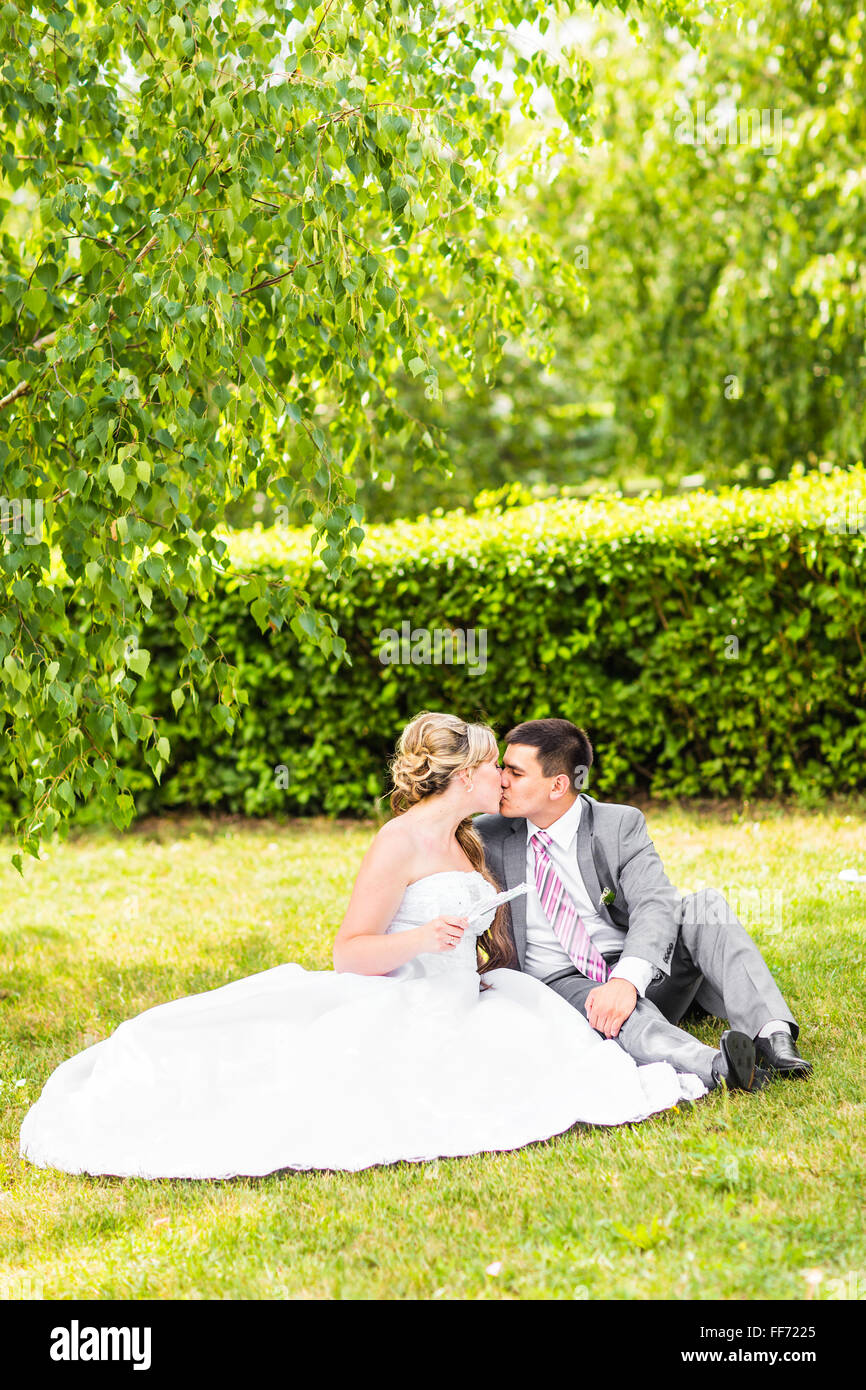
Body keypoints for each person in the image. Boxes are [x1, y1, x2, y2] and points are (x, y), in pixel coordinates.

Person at [20, 711, 732, 1182]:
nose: (504, 779)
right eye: (495, 768)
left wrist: (477, 964)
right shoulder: (400, 842)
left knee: (551, 1052)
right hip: (397, 997)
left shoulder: (469, 840)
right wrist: (423, 939)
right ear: (464, 776)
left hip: (467, 996)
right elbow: (348, 951)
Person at [475, 717, 812, 1090]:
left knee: (706, 906)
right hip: (564, 982)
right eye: (503, 768)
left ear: (558, 785)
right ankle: (720, 1065)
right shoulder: (487, 835)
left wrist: (626, 980)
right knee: (618, 1016)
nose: (501, 779)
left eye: (515, 772)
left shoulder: (617, 824)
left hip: (640, 969)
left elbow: (655, 903)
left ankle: (773, 1035)